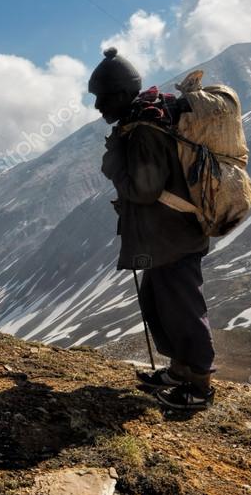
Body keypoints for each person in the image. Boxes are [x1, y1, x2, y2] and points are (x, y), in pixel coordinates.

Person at [89, 47, 216, 411]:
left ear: (120, 94)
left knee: (182, 306)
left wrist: (114, 168)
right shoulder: (146, 120)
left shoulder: (145, 130)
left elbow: (145, 190)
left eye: (102, 97)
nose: (98, 106)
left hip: (173, 236)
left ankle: (200, 385)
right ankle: (179, 371)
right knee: (159, 302)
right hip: (167, 236)